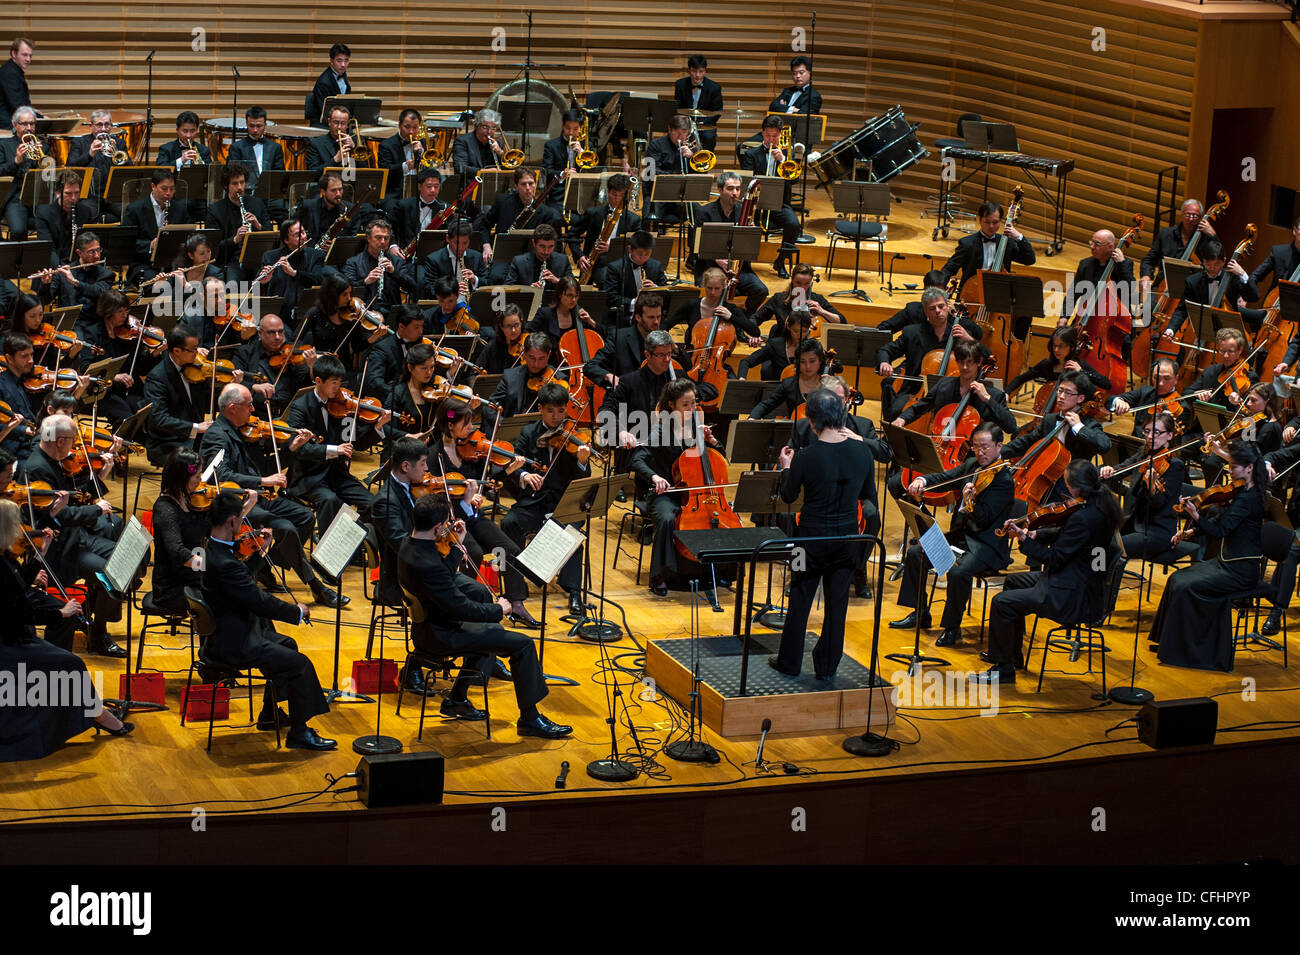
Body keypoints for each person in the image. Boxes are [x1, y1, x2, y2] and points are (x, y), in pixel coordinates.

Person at [398, 495, 572, 737]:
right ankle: (530, 719)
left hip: (431, 624)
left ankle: (457, 698)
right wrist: (499, 609)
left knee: (490, 626)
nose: (449, 526)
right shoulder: (428, 564)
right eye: (446, 524)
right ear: (437, 527)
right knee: (522, 644)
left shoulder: (410, 545)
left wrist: (457, 546)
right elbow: (462, 609)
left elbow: (446, 580)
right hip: (441, 634)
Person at [0, 499, 136, 762]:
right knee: (70, 662)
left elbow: (15, 590)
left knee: (65, 661)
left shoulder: (6, 558)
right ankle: (97, 714)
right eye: (16, 524)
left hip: (13, 635)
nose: (22, 528)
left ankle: (91, 710)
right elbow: (18, 612)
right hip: (8, 644)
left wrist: (41, 555)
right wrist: (58, 614)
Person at [201, 489, 334, 750]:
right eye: (240, 518)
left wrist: (260, 553)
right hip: (236, 642)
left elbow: (238, 582)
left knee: (287, 647)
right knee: (299, 664)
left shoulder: (208, 550)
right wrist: (296, 612)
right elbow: (258, 600)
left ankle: (269, 714)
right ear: (231, 521)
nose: (242, 523)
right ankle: (299, 732)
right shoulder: (224, 562)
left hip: (228, 631)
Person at [200, 383, 345, 607]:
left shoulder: (243, 430)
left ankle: (264, 564)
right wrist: (262, 481)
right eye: (248, 405)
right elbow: (223, 476)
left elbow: (265, 465)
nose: (253, 410)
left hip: (261, 495)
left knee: (305, 518)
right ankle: (316, 587)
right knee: (285, 529)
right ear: (232, 408)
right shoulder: (216, 436)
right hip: (240, 501)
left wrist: (291, 449)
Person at [980, 459, 1123, 684]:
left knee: (1001, 602)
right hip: (1080, 580)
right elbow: (1071, 537)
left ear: (1075, 486)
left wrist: (1025, 540)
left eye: (1066, 482)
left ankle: (1003, 670)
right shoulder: (1099, 506)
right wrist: (1039, 535)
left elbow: (1055, 558)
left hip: (1070, 594)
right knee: (1013, 583)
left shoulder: (1084, 517)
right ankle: (1011, 655)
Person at [768, 388, 873, 679]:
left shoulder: (806, 456)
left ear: (812, 420)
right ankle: (827, 667)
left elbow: (788, 496)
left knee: (799, 597)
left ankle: (789, 662)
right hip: (847, 541)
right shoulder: (862, 451)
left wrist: (786, 468)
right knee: (837, 605)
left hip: (807, 542)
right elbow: (868, 495)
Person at [893, 423, 1015, 647]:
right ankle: (920, 612)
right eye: (976, 447)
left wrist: (969, 501)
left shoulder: (1004, 481)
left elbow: (984, 518)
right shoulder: (971, 465)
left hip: (985, 544)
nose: (980, 452)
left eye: (985, 447)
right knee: (915, 553)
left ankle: (951, 628)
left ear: (999, 446)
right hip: (961, 537)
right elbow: (945, 476)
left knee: (958, 573)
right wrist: (924, 481)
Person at [1150, 440, 1266, 672]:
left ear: (1249, 468)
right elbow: (1219, 520)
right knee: (1176, 579)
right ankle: (1169, 641)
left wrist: (1195, 515)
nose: (1229, 470)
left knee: (1185, 585)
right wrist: (1193, 530)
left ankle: (1187, 651)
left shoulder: (1249, 499)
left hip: (1240, 570)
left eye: (1233, 467)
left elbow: (1221, 531)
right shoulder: (1240, 490)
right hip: (1227, 561)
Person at [24, 414, 128, 656]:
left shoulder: (54, 460)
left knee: (126, 562)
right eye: (72, 440)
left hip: (76, 539)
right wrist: (95, 509)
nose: (75, 447)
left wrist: (99, 479)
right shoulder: (38, 469)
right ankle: (98, 633)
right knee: (113, 575)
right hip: (59, 550)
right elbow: (57, 516)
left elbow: (74, 496)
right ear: (60, 441)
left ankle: (97, 611)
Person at [429, 399, 537, 626]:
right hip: (450, 522)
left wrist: (508, 471)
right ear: (450, 426)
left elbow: (488, 483)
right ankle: (463, 606)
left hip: (473, 517)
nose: (472, 429)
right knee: (473, 551)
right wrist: (466, 501)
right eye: (466, 424)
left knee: (509, 549)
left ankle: (516, 604)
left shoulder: (473, 450)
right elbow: (437, 498)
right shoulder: (435, 457)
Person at [786, 374, 890, 599]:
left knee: (872, 515)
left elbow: (885, 453)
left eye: (840, 399)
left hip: (848, 499)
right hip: (813, 496)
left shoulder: (861, 425)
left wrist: (860, 440)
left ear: (847, 401)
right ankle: (796, 571)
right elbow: (790, 453)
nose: (835, 404)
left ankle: (858, 570)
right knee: (788, 516)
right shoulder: (804, 426)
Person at [628, 377, 730, 599]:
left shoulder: (699, 429)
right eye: (686, 405)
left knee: (723, 516)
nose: (692, 409)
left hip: (698, 494)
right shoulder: (660, 431)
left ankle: (721, 570)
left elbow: (719, 460)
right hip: (666, 494)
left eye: (693, 404)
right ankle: (661, 575)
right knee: (667, 518)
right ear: (672, 405)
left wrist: (712, 442)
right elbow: (637, 459)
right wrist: (654, 477)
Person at [500, 382, 592, 616]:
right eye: (551, 411)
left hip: (561, 503)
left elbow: (583, 479)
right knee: (509, 523)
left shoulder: (572, 437)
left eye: (561, 411)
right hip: (533, 502)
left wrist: (582, 461)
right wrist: (524, 474)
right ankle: (516, 587)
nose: (556, 417)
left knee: (572, 531)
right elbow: (514, 464)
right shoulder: (528, 434)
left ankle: (573, 593)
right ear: (541, 408)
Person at [284, 353, 385, 532]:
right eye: (333, 382)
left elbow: (357, 442)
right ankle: (326, 555)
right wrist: (334, 449)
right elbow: (300, 449)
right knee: (330, 501)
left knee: (372, 503)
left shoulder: (342, 406)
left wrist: (378, 426)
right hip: (309, 476)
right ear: (318, 381)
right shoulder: (300, 407)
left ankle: (353, 539)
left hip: (336, 474)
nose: (338, 388)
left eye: (339, 382)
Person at [370, 437, 433, 693]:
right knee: (441, 599)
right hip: (399, 578)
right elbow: (400, 543)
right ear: (406, 466)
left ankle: (480, 654)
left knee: (477, 593)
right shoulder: (386, 500)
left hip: (421, 568)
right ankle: (415, 665)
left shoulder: (412, 490)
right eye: (424, 464)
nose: (427, 470)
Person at [999, 371, 1111, 504]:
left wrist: (1078, 427)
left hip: (1068, 489)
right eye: (1060, 391)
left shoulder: (1089, 425)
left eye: (1068, 393)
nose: (1061, 396)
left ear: (1080, 398)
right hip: (1040, 479)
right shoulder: (1050, 420)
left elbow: (1105, 445)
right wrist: (997, 452)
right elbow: (1027, 442)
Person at [874, 286, 982, 421]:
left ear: (948, 307)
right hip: (915, 391)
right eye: (932, 308)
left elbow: (984, 356)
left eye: (941, 306)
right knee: (896, 411)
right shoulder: (912, 333)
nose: (938, 311)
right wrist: (884, 362)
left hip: (952, 394)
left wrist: (969, 339)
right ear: (925, 311)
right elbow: (885, 350)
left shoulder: (961, 333)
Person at [1098, 412, 1189, 563]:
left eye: (1157, 432)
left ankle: (1108, 584)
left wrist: (1152, 485)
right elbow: (1122, 469)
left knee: (1110, 548)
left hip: (1156, 530)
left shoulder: (1175, 466)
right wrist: (1109, 471)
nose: (1151, 436)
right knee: (1095, 540)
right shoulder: (1144, 452)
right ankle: (1101, 582)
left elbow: (1158, 503)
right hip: (1131, 521)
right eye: (1147, 431)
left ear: (1170, 435)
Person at [890, 339, 1017, 435]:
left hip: (974, 456)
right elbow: (919, 408)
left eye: (969, 362)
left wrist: (987, 399)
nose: (965, 367)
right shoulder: (943, 386)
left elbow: (1011, 427)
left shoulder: (994, 395)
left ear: (979, 363)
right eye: (961, 362)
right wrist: (902, 419)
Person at [142, 325, 222, 466]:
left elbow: (208, 400)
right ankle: (190, 487)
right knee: (199, 465)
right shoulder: (157, 377)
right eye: (193, 349)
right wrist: (196, 427)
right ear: (177, 351)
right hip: (168, 443)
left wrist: (226, 388)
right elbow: (159, 419)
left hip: (196, 438)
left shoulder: (196, 369)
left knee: (226, 453)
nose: (197, 353)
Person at [148, 449, 215, 615]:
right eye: (197, 476)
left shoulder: (190, 500)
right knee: (227, 600)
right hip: (173, 588)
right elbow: (178, 553)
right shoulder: (165, 509)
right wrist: (211, 566)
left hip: (193, 578)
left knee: (240, 591)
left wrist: (241, 511)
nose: (201, 481)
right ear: (182, 478)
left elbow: (209, 530)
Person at [693, 171, 769, 314]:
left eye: (738, 189)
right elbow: (695, 244)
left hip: (738, 268)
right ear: (720, 190)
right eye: (730, 188)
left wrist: (751, 235)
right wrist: (718, 260)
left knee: (761, 290)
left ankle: (742, 319)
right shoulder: (705, 212)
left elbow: (750, 249)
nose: (735, 193)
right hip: (711, 267)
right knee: (719, 292)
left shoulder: (745, 212)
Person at [78, 289, 155, 427]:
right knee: (126, 417)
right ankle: (121, 447)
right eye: (120, 312)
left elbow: (141, 367)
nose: (125, 316)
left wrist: (154, 353)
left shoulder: (128, 334)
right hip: (104, 392)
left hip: (128, 388)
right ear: (108, 312)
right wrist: (113, 377)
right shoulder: (93, 334)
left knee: (148, 410)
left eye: (127, 311)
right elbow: (86, 368)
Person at [739, 115, 801, 277]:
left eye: (775, 136)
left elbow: (794, 180)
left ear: (781, 134)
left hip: (779, 203)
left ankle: (781, 261)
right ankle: (745, 264)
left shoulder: (788, 155)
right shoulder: (751, 154)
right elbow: (747, 181)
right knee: (742, 222)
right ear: (762, 133)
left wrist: (782, 161)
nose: (771, 139)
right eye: (767, 136)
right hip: (755, 203)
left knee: (793, 224)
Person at [475, 167, 560, 281]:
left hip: (533, 258)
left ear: (535, 184)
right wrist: (486, 246)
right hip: (504, 257)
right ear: (516, 186)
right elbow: (484, 226)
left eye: (531, 183)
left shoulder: (546, 212)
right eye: (523, 184)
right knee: (496, 277)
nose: (528, 188)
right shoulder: (503, 202)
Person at [1164, 239, 1259, 340]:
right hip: (1200, 333)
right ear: (1203, 261)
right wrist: (1171, 329)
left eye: (1216, 264)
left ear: (1224, 261)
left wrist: (1242, 274)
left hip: (1226, 336)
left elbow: (1254, 296)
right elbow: (1182, 309)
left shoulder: (1232, 279)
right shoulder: (1193, 282)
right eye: (1208, 264)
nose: (1212, 268)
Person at [939, 199, 1036, 298]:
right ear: (980, 220)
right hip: (971, 295)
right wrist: (938, 288)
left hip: (998, 295)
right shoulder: (967, 244)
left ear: (1001, 221)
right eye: (987, 222)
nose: (991, 226)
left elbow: (1029, 260)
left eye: (995, 222)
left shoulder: (1007, 244)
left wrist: (1019, 237)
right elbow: (949, 268)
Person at [233, 313, 316, 415]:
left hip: (289, 413)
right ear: (259, 333)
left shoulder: (292, 353)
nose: (277, 337)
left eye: (280, 332)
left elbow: (304, 386)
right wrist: (254, 386)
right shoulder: (244, 353)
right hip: (256, 415)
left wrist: (312, 367)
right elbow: (233, 384)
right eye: (271, 332)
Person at [571, 173, 642, 290]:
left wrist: (612, 247)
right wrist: (580, 256)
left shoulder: (634, 220)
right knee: (605, 279)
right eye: (614, 194)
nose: (617, 199)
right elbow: (572, 234)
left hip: (621, 262)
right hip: (596, 263)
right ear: (608, 191)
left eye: (621, 195)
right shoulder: (593, 213)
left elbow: (637, 246)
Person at [1139, 197, 1215, 305]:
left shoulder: (1206, 240)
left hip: (1191, 292)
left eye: (1195, 216)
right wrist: (1145, 276)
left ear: (1200, 218)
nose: (1191, 219)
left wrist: (1213, 234)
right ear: (1182, 214)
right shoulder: (1166, 234)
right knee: (1148, 310)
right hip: (1163, 287)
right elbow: (1149, 260)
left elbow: (1219, 259)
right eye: (1188, 215)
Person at [121, 169, 190, 286]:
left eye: (172, 189)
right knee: (162, 286)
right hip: (144, 264)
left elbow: (189, 235)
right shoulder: (135, 209)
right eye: (164, 189)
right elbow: (127, 244)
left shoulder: (180, 208)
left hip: (173, 263)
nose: (168, 193)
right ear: (153, 186)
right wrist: (150, 245)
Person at [206, 162, 271, 283]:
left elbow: (272, 235)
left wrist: (258, 225)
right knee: (232, 283)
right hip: (232, 261)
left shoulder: (257, 204)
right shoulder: (216, 210)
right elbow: (212, 246)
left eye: (242, 182)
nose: (240, 187)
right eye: (235, 184)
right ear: (226, 186)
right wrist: (235, 239)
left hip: (257, 259)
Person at [1006, 325, 1111, 398]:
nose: (1056, 350)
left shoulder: (1079, 365)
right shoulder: (1046, 365)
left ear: (1071, 347)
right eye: (1054, 346)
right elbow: (1020, 379)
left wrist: (1081, 372)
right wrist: (1006, 392)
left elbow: (1106, 384)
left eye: (1061, 346)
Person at [586, 292, 664, 390]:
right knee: (622, 405)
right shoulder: (619, 337)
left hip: (653, 399)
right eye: (651, 317)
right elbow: (590, 367)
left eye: (659, 317)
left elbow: (687, 366)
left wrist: (676, 349)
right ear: (638, 317)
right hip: (625, 399)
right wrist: (609, 376)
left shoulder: (662, 337)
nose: (656, 322)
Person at [342, 218, 417, 317]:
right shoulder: (353, 262)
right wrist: (366, 281)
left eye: (386, 238)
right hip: (364, 313)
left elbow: (412, 286)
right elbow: (347, 291)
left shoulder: (396, 261)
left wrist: (394, 272)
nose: (383, 242)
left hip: (392, 312)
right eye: (378, 237)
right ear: (368, 238)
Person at [256, 217, 324, 326]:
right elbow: (255, 285)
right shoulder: (271, 256)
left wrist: (294, 273)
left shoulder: (315, 255)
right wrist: (264, 281)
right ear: (286, 240)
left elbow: (319, 279)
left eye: (303, 232)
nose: (303, 237)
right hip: (278, 316)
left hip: (306, 314)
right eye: (297, 235)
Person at [750, 263, 844, 339]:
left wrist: (822, 311)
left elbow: (842, 322)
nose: (802, 287)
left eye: (806, 284)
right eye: (798, 283)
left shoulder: (817, 300)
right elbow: (755, 318)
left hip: (808, 349)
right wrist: (754, 334)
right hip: (783, 346)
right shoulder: (779, 299)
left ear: (811, 282)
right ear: (792, 278)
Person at [751, 339, 830, 419]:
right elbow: (766, 405)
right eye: (802, 361)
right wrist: (752, 418)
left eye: (812, 361)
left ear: (820, 361)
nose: (807, 366)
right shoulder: (789, 383)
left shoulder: (829, 384)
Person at [601, 229, 665, 323]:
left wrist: (655, 288)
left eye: (647, 254)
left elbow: (665, 290)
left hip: (652, 317)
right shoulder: (615, 268)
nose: (643, 258)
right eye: (639, 254)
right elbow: (611, 297)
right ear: (630, 249)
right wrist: (634, 303)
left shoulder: (656, 266)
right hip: (625, 317)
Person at [226, 106, 285, 208]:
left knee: (284, 209)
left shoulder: (275, 147)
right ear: (246, 124)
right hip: (246, 194)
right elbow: (233, 174)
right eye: (251, 126)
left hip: (270, 195)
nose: (255, 130)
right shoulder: (236, 147)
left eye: (259, 126)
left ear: (265, 125)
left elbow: (279, 173)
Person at [644, 114, 694, 225]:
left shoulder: (691, 149)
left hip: (680, 195)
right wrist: (675, 177)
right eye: (677, 132)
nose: (680, 137)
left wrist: (692, 158)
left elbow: (699, 174)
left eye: (684, 133)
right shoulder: (655, 145)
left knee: (698, 216)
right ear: (669, 129)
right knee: (649, 221)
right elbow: (651, 171)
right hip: (656, 193)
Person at [0, 106, 41, 238]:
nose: (29, 128)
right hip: (15, 197)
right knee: (18, 230)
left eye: (32, 123)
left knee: (55, 224)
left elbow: (49, 175)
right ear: (14, 125)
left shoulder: (42, 146)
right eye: (24, 124)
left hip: (38, 196)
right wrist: (16, 161)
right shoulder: (4, 145)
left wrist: (40, 160)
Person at [0, 333, 40, 463]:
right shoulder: (1, 385)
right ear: (9, 358)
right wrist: (24, 430)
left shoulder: (29, 381)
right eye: (24, 356)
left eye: (31, 354)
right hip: (14, 448)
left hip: (33, 440)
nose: (31, 361)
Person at [421, 218, 485, 298]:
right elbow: (429, 289)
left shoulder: (477, 257)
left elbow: (488, 283)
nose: (461, 248)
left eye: (465, 243)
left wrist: (475, 279)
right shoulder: (434, 260)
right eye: (456, 243)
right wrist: (451, 290)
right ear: (448, 238)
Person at [540, 108, 588, 213]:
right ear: (562, 126)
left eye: (575, 129)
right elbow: (546, 171)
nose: (571, 132)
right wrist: (562, 173)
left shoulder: (587, 147)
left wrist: (581, 153)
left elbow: (592, 170)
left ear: (581, 128)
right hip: (558, 193)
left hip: (580, 193)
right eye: (568, 128)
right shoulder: (551, 146)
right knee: (554, 216)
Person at [378, 108, 429, 203]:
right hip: (395, 194)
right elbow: (385, 171)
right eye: (407, 127)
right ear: (399, 125)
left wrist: (422, 154)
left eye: (415, 127)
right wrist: (405, 167)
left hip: (419, 192)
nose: (411, 132)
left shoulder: (422, 143)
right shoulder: (387, 145)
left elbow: (428, 170)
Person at [672, 54, 722, 151]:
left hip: (706, 124)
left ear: (705, 71)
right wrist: (687, 123)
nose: (697, 75)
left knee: (709, 137)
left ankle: (705, 162)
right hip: (685, 124)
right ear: (689, 70)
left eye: (701, 71)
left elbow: (717, 111)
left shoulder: (714, 88)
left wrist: (703, 122)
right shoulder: (680, 85)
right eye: (694, 71)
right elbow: (678, 106)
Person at [33, 170, 81, 268]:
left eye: (76, 193)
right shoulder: (44, 214)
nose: (73, 198)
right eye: (68, 193)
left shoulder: (85, 212)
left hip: (78, 266)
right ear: (58, 192)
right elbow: (48, 249)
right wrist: (61, 268)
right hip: (53, 267)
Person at [876, 270, 948, 334]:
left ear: (946, 290)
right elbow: (883, 329)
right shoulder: (912, 310)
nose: (933, 297)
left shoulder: (952, 315)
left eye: (938, 293)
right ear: (924, 289)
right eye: (930, 292)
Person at [391, 167, 446, 248]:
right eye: (429, 186)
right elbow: (392, 229)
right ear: (419, 186)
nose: (433, 190)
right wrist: (393, 246)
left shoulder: (445, 208)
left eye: (436, 186)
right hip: (407, 254)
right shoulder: (404, 206)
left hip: (434, 255)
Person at [306, 42, 351, 127]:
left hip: (338, 120)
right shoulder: (323, 82)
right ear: (331, 61)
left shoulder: (342, 74)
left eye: (346, 60)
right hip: (323, 122)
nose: (343, 65)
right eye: (339, 60)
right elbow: (324, 111)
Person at [451, 108, 505, 178]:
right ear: (476, 126)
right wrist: (483, 172)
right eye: (485, 127)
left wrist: (500, 152)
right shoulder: (463, 141)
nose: (489, 131)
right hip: (471, 185)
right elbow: (460, 168)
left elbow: (509, 168)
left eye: (493, 128)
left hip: (493, 185)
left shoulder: (498, 144)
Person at [0, 37, 36, 130]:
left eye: (30, 56)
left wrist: (35, 112)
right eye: (24, 55)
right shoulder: (9, 73)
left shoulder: (14, 70)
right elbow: (18, 107)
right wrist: (40, 117)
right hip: (7, 126)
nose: (28, 59)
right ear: (14, 54)